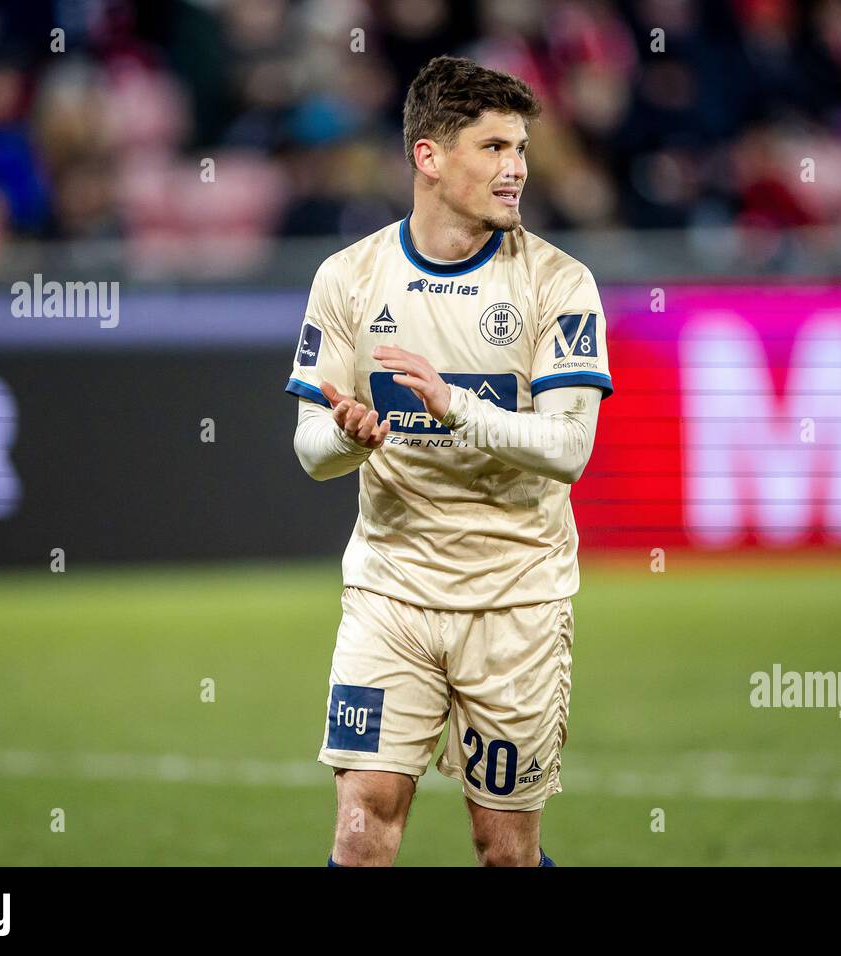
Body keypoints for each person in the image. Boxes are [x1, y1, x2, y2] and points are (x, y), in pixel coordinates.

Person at [285, 55, 613, 866]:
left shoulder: (559, 286)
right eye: (495, 147)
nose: (518, 170)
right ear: (429, 156)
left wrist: (458, 406)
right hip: (389, 592)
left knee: (501, 847)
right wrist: (349, 437)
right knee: (364, 824)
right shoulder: (349, 278)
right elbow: (309, 448)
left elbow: (570, 448)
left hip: (516, 599)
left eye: (521, 149)